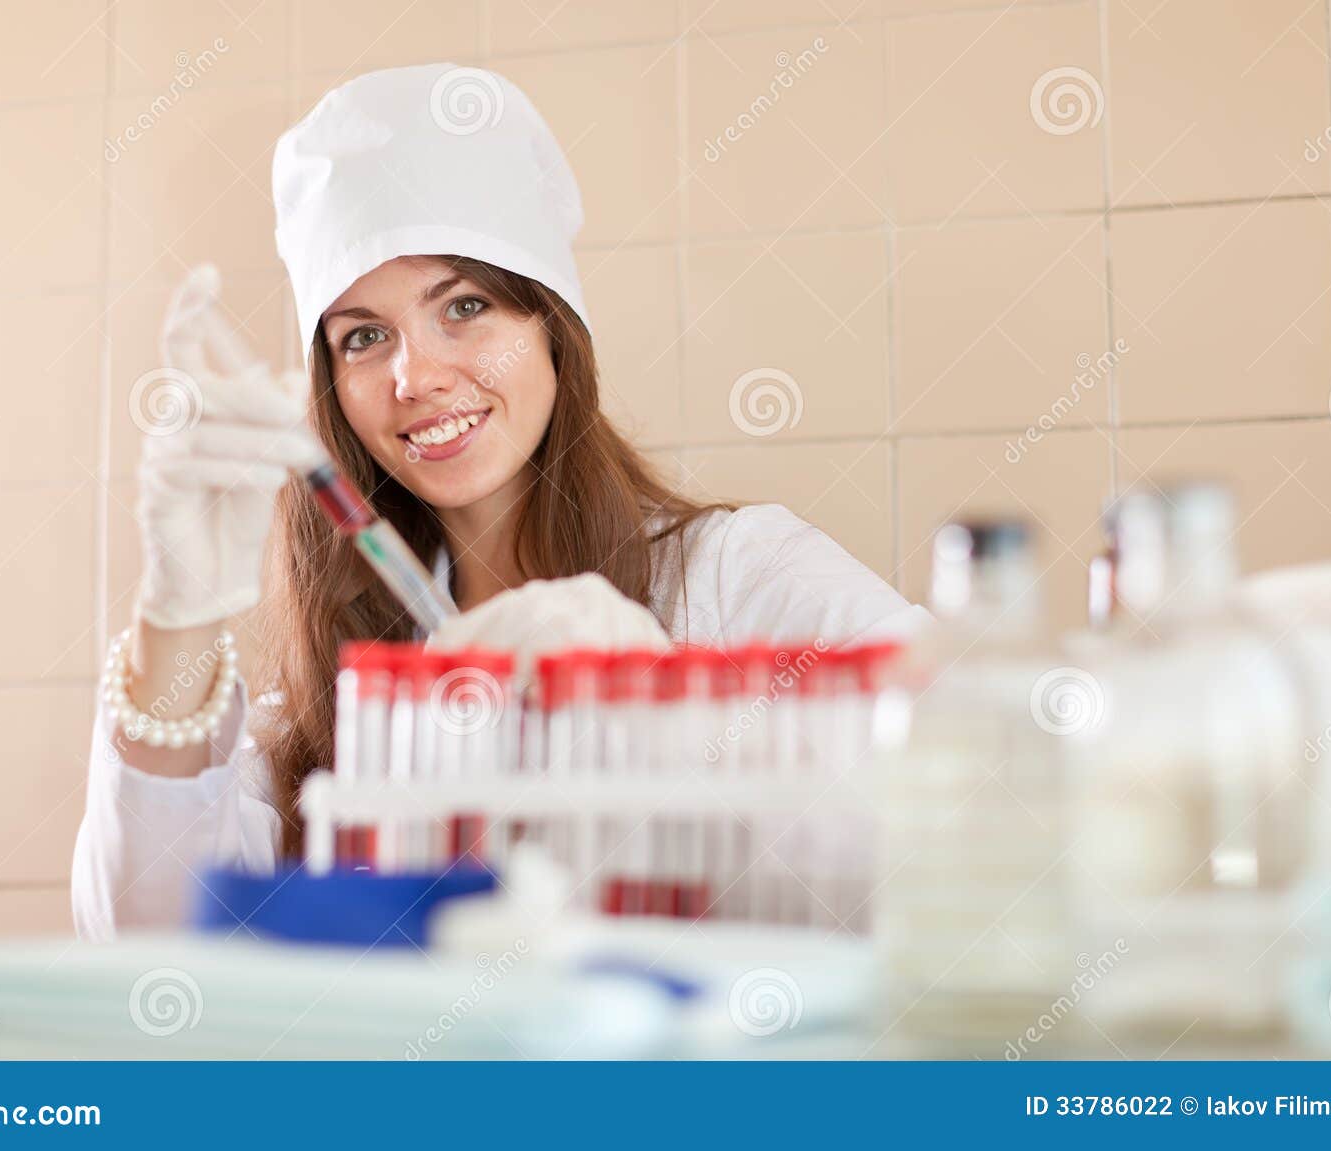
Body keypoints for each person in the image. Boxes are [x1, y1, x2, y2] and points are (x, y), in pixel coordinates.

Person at [72, 63, 928, 941]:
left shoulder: (739, 581)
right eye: (364, 336)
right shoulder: (330, 702)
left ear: (551, 327)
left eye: (465, 306)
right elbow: (146, 940)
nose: (415, 377)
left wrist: (669, 711)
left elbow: (980, 805)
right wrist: (176, 607)